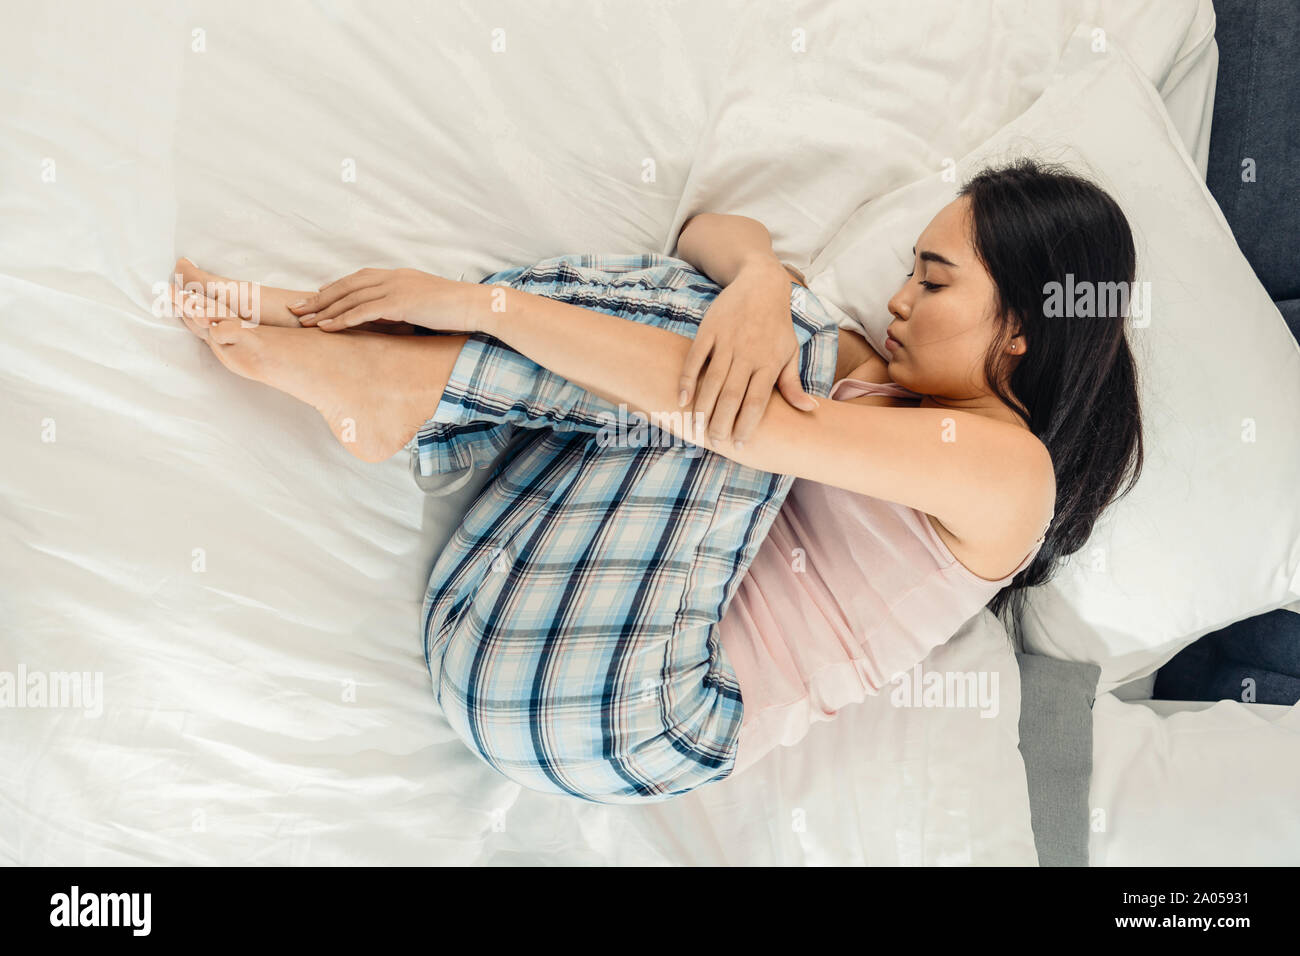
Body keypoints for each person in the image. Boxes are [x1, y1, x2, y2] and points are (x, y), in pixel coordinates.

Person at [168, 158, 1143, 803]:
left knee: (771, 355)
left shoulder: (1012, 475)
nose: (897, 296)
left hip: (615, 708)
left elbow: (738, 420)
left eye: (932, 281)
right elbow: (702, 233)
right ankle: (404, 383)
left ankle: (398, 370)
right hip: (492, 602)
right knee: (747, 318)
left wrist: (481, 304)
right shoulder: (869, 368)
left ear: (1020, 326)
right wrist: (760, 279)